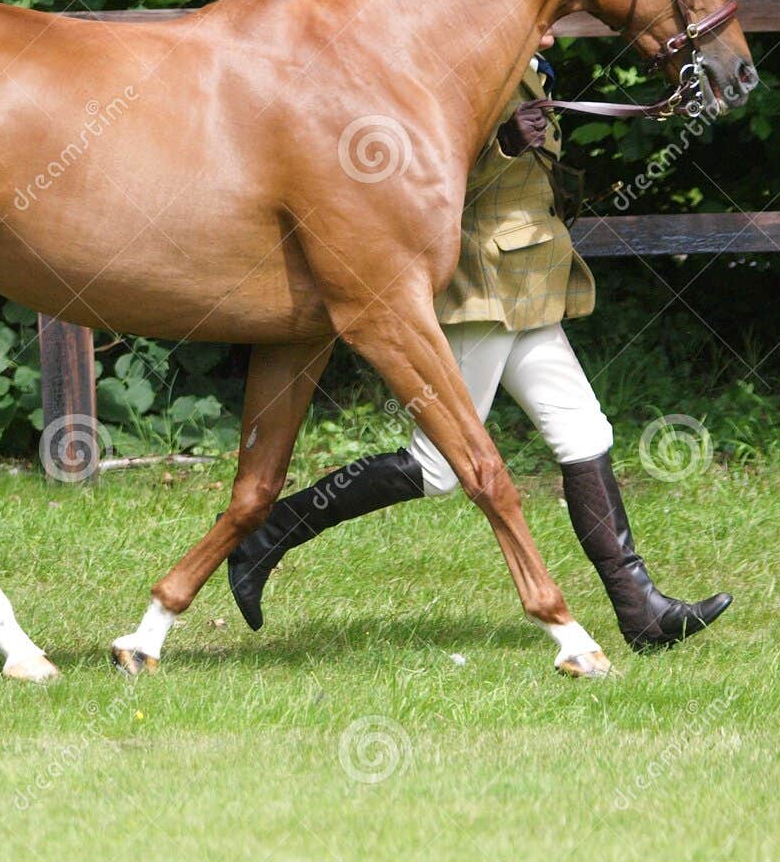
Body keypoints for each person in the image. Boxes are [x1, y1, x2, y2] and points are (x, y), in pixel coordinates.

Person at [227, 39, 731, 650]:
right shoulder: (469, 69)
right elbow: (424, 181)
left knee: (585, 435)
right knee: (438, 466)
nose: (549, 31)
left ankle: (641, 612)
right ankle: (268, 532)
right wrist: (501, 146)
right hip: (481, 285)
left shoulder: (533, 69)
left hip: (528, 283)